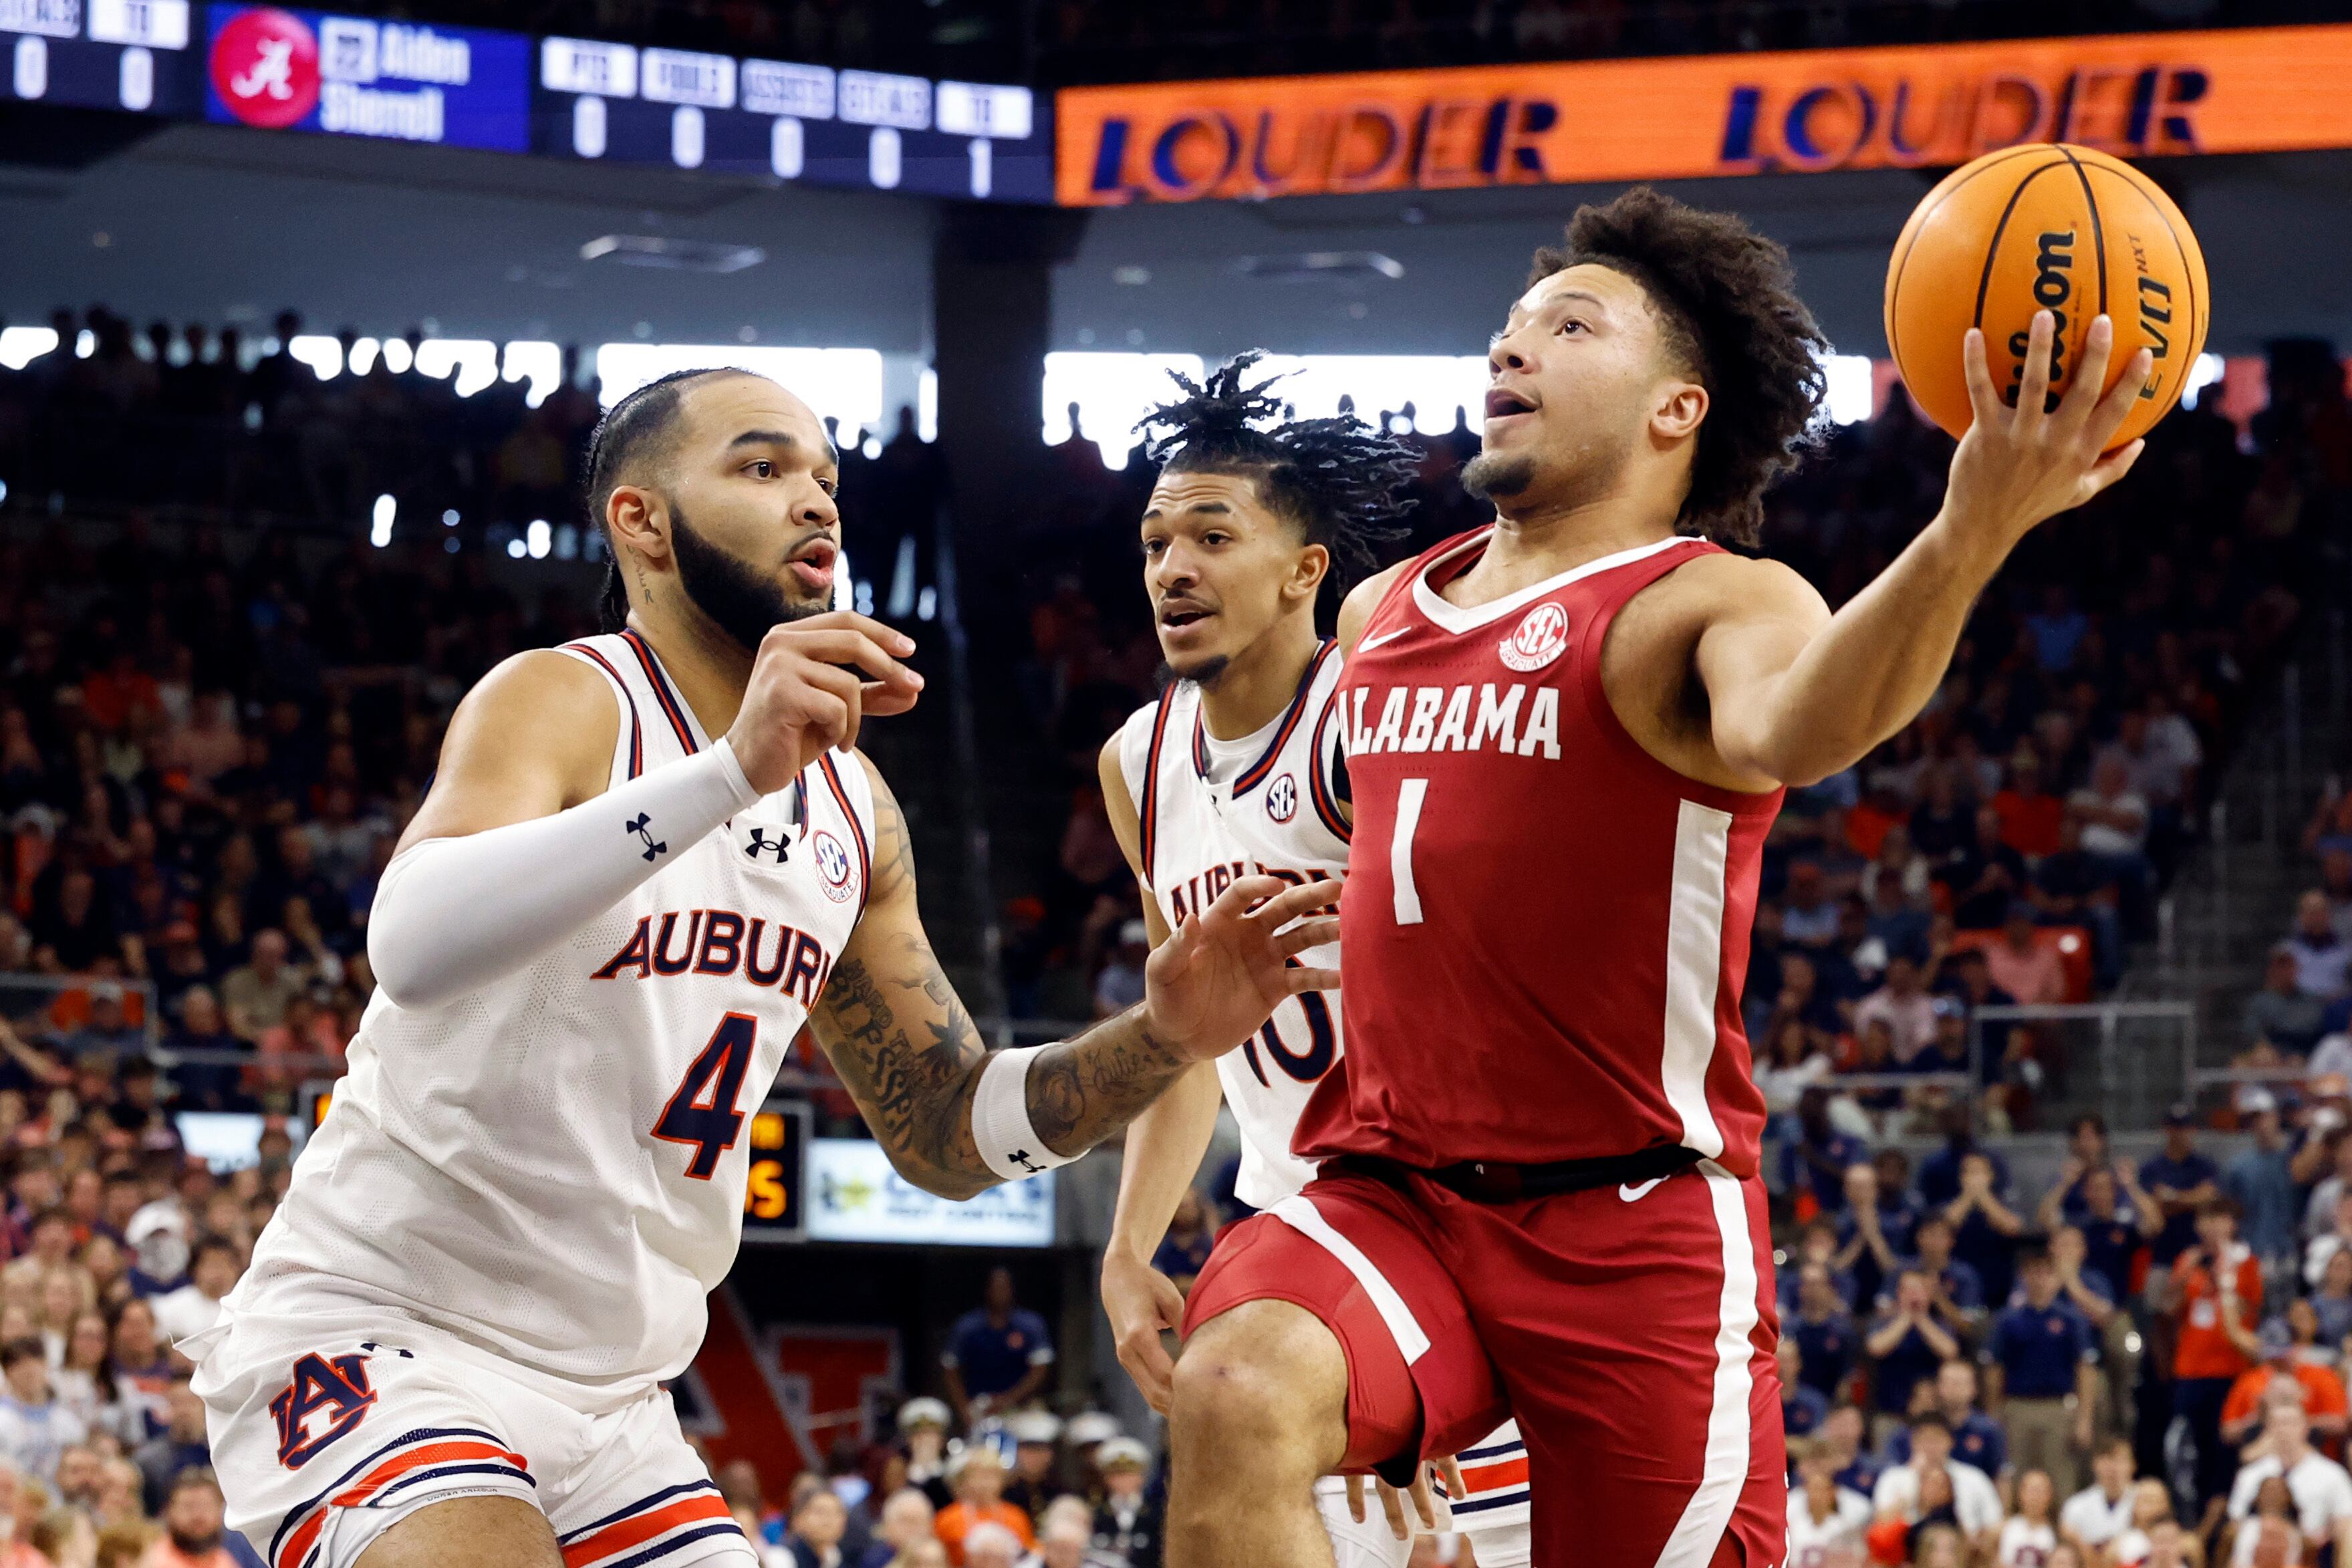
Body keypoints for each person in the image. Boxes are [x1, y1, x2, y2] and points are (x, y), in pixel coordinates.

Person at [184, 368, 1330, 1568]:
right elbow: (408, 946)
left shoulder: (855, 807)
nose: (815, 503)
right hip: (387, 1335)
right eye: (761, 467)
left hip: (617, 1404)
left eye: (827, 478)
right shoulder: (566, 700)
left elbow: (941, 1125)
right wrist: (730, 769)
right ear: (641, 521)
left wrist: (1161, 1037)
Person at [1158, 184, 2147, 1568]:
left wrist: (1968, 528)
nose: (1509, 348)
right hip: (1393, 1190)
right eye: (1507, 327)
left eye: (1565, 326)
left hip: (1629, 1232)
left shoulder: (1712, 601)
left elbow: (1798, 726)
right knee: (1236, 1387)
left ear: (1673, 408)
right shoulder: (1382, 611)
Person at [1095, 360, 1528, 1566]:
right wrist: (1126, 1248)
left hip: (1470, 1233)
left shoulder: (1375, 716)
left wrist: (1418, 1330)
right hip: (1310, 1247)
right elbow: (1189, 1030)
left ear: (1304, 573)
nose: (1170, 568)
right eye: (1152, 542)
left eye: (1210, 536)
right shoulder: (1137, 765)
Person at [2174, 1197, 2265, 1510]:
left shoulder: (2247, 1263)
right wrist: (2186, 1275)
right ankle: (2193, 1510)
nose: (2212, 1227)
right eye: (2206, 1219)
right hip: (2191, 1368)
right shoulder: (2188, 1260)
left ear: (2232, 1224)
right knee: (2189, 1450)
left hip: (2230, 1368)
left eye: (2220, 1219)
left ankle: (2221, 1512)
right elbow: (2169, 1308)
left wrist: (2224, 1280)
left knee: (2222, 1450)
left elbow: (2247, 1311)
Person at [2226, 1396, 2352, 1563]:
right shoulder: (2250, 1474)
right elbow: (2236, 1525)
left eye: (2291, 1422)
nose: (2284, 1429)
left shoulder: (2332, 1474)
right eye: (2278, 1423)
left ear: (2305, 1428)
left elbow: (2344, 1524)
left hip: (2312, 1556)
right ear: (2268, 1428)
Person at [944, 1270, 1056, 1428]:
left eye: (1005, 1288)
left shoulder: (1030, 1324)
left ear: (1012, 1291)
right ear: (987, 1291)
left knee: (1039, 1427)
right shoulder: (967, 1326)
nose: (1000, 1293)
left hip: (1020, 1404)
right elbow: (950, 1370)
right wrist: (964, 1407)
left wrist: (1008, 1400)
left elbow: (1040, 1370)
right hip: (979, 1404)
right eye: (996, 1288)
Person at [935, 1449, 1034, 1568]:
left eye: (990, 1477)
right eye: (976, 1476)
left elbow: (1027, 1558)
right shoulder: (947, 1518)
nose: (984, 1484)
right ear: (963, 1481)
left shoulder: (1016, 1517)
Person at [1783, 1439, 1869, 1566]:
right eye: (1813, 1460)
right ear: (1801, 1466)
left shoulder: (1858, 1505)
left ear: (1837, 1462)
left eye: (1823, 1458)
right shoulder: (1788, 1504)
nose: (1819, 1466)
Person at [138, 1468, 239, 1568]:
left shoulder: (225, 1561)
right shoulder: (154, 1562)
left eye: (205, 1506)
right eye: (188, 1507)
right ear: (169, 1511)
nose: (198, 1516)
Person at [2059, 1438, 2137, 1558]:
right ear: (2095, 1464)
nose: (2113, 1468)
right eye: (2107, 1460)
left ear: (2133, 1465)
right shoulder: (2076, 1505)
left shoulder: (2144, 1501)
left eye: (2120, 1460)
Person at [1089, 1438, 1158, 1568]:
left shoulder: (1157, 1515)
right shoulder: (1095, 1515)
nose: (1123, 1481)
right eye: (1117, 1475)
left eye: (1129, 1474)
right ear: (1106, 1478)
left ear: (1141, 1477)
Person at [1998, 1471, 2059, 1568]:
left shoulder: (2059, 1533)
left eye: (2041, 1491)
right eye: (2032, 1490)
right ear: (2021, 1493)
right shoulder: (2001, 1529)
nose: (2036, 1497)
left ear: (2050, 1495)